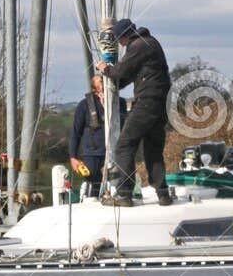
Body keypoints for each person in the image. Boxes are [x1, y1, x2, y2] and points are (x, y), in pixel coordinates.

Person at [97, 18, 173, 206]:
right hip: (161, 104)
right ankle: (163, 194)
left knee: (124, 146)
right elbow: (129, 75)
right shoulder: (150, 42)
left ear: (124, 36)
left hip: (147, 102)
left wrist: (105, 69)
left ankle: (124, 194)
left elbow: (121, 71)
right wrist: (110, 84)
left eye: (119, 40)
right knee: (153, 150)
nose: (120, 44)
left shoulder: (138, 46)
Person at [69, 74, 126, 194]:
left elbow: (124, 124)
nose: (104, 84)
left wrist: (107, 107)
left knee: (117, 188)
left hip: (114, 152)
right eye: (101, 82)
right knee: (93, 189)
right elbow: (75, 132)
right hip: (92, 154)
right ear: (94, 90)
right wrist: (73, 157)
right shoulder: (84, 105)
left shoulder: (120, 102)